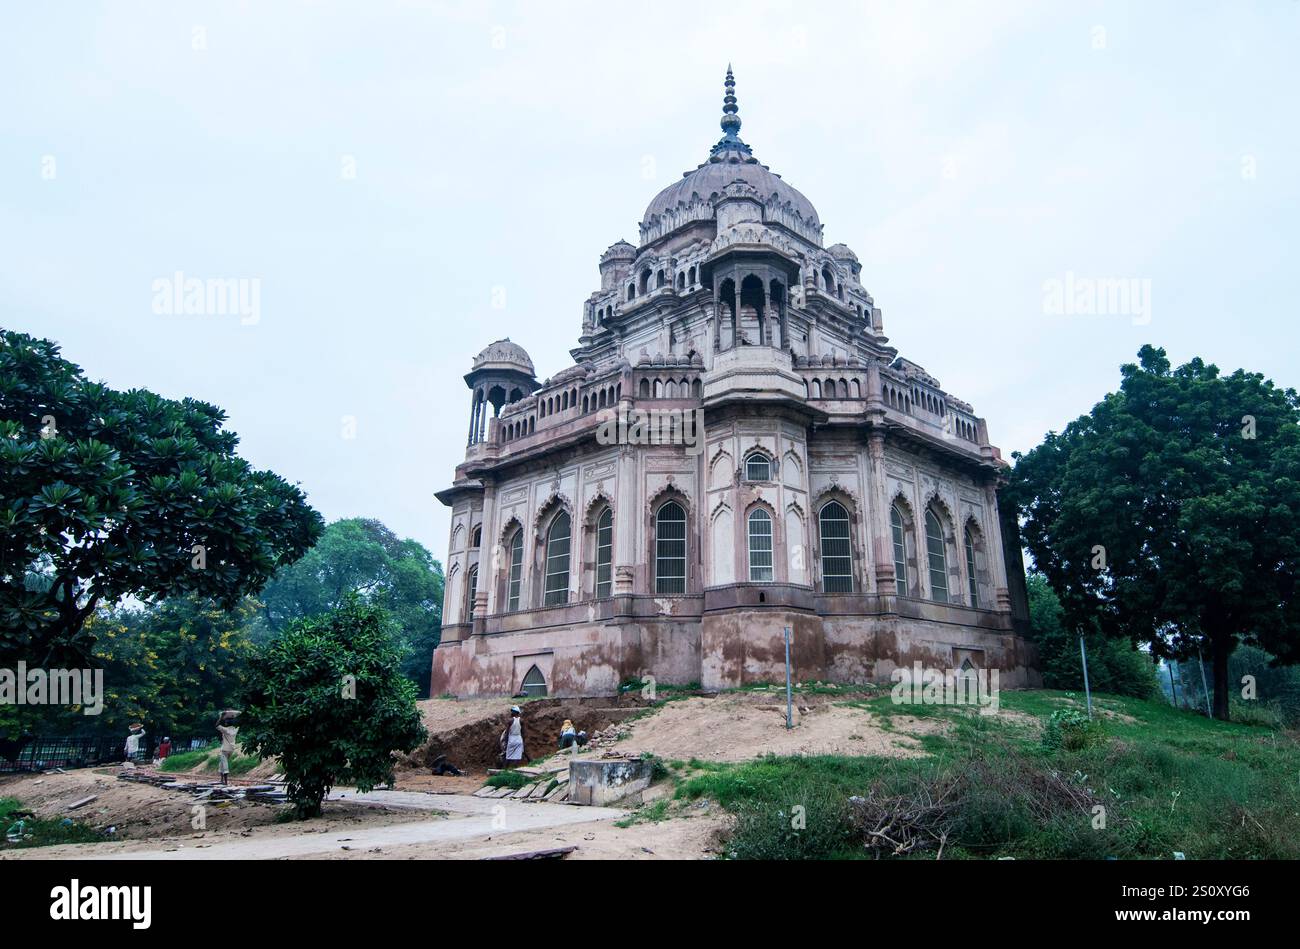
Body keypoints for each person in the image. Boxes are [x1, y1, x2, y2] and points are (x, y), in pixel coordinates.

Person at [216, 711, 240, 786]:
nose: (225, 723)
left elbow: (217, 725)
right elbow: (238, 723)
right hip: (232, 749)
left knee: (224, 765)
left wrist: (221, 717)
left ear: (227, 723)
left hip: (225, 749)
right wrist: (234, 717)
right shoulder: (236, 729)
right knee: (222, 763)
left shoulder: (225, 730)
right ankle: (221, 780)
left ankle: (225, 782)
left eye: (226, 722)